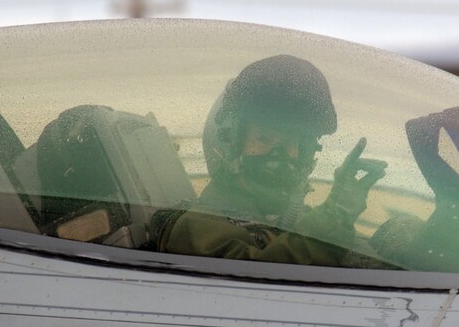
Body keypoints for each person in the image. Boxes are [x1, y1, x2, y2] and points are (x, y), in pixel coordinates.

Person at [159, 54, 385, 265]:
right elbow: (264, 277)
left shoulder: (295, 220)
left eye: (290, 143)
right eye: (263, 138)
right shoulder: (200, 227)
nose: (279, 154)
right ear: (231, 144)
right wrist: (336, 213)